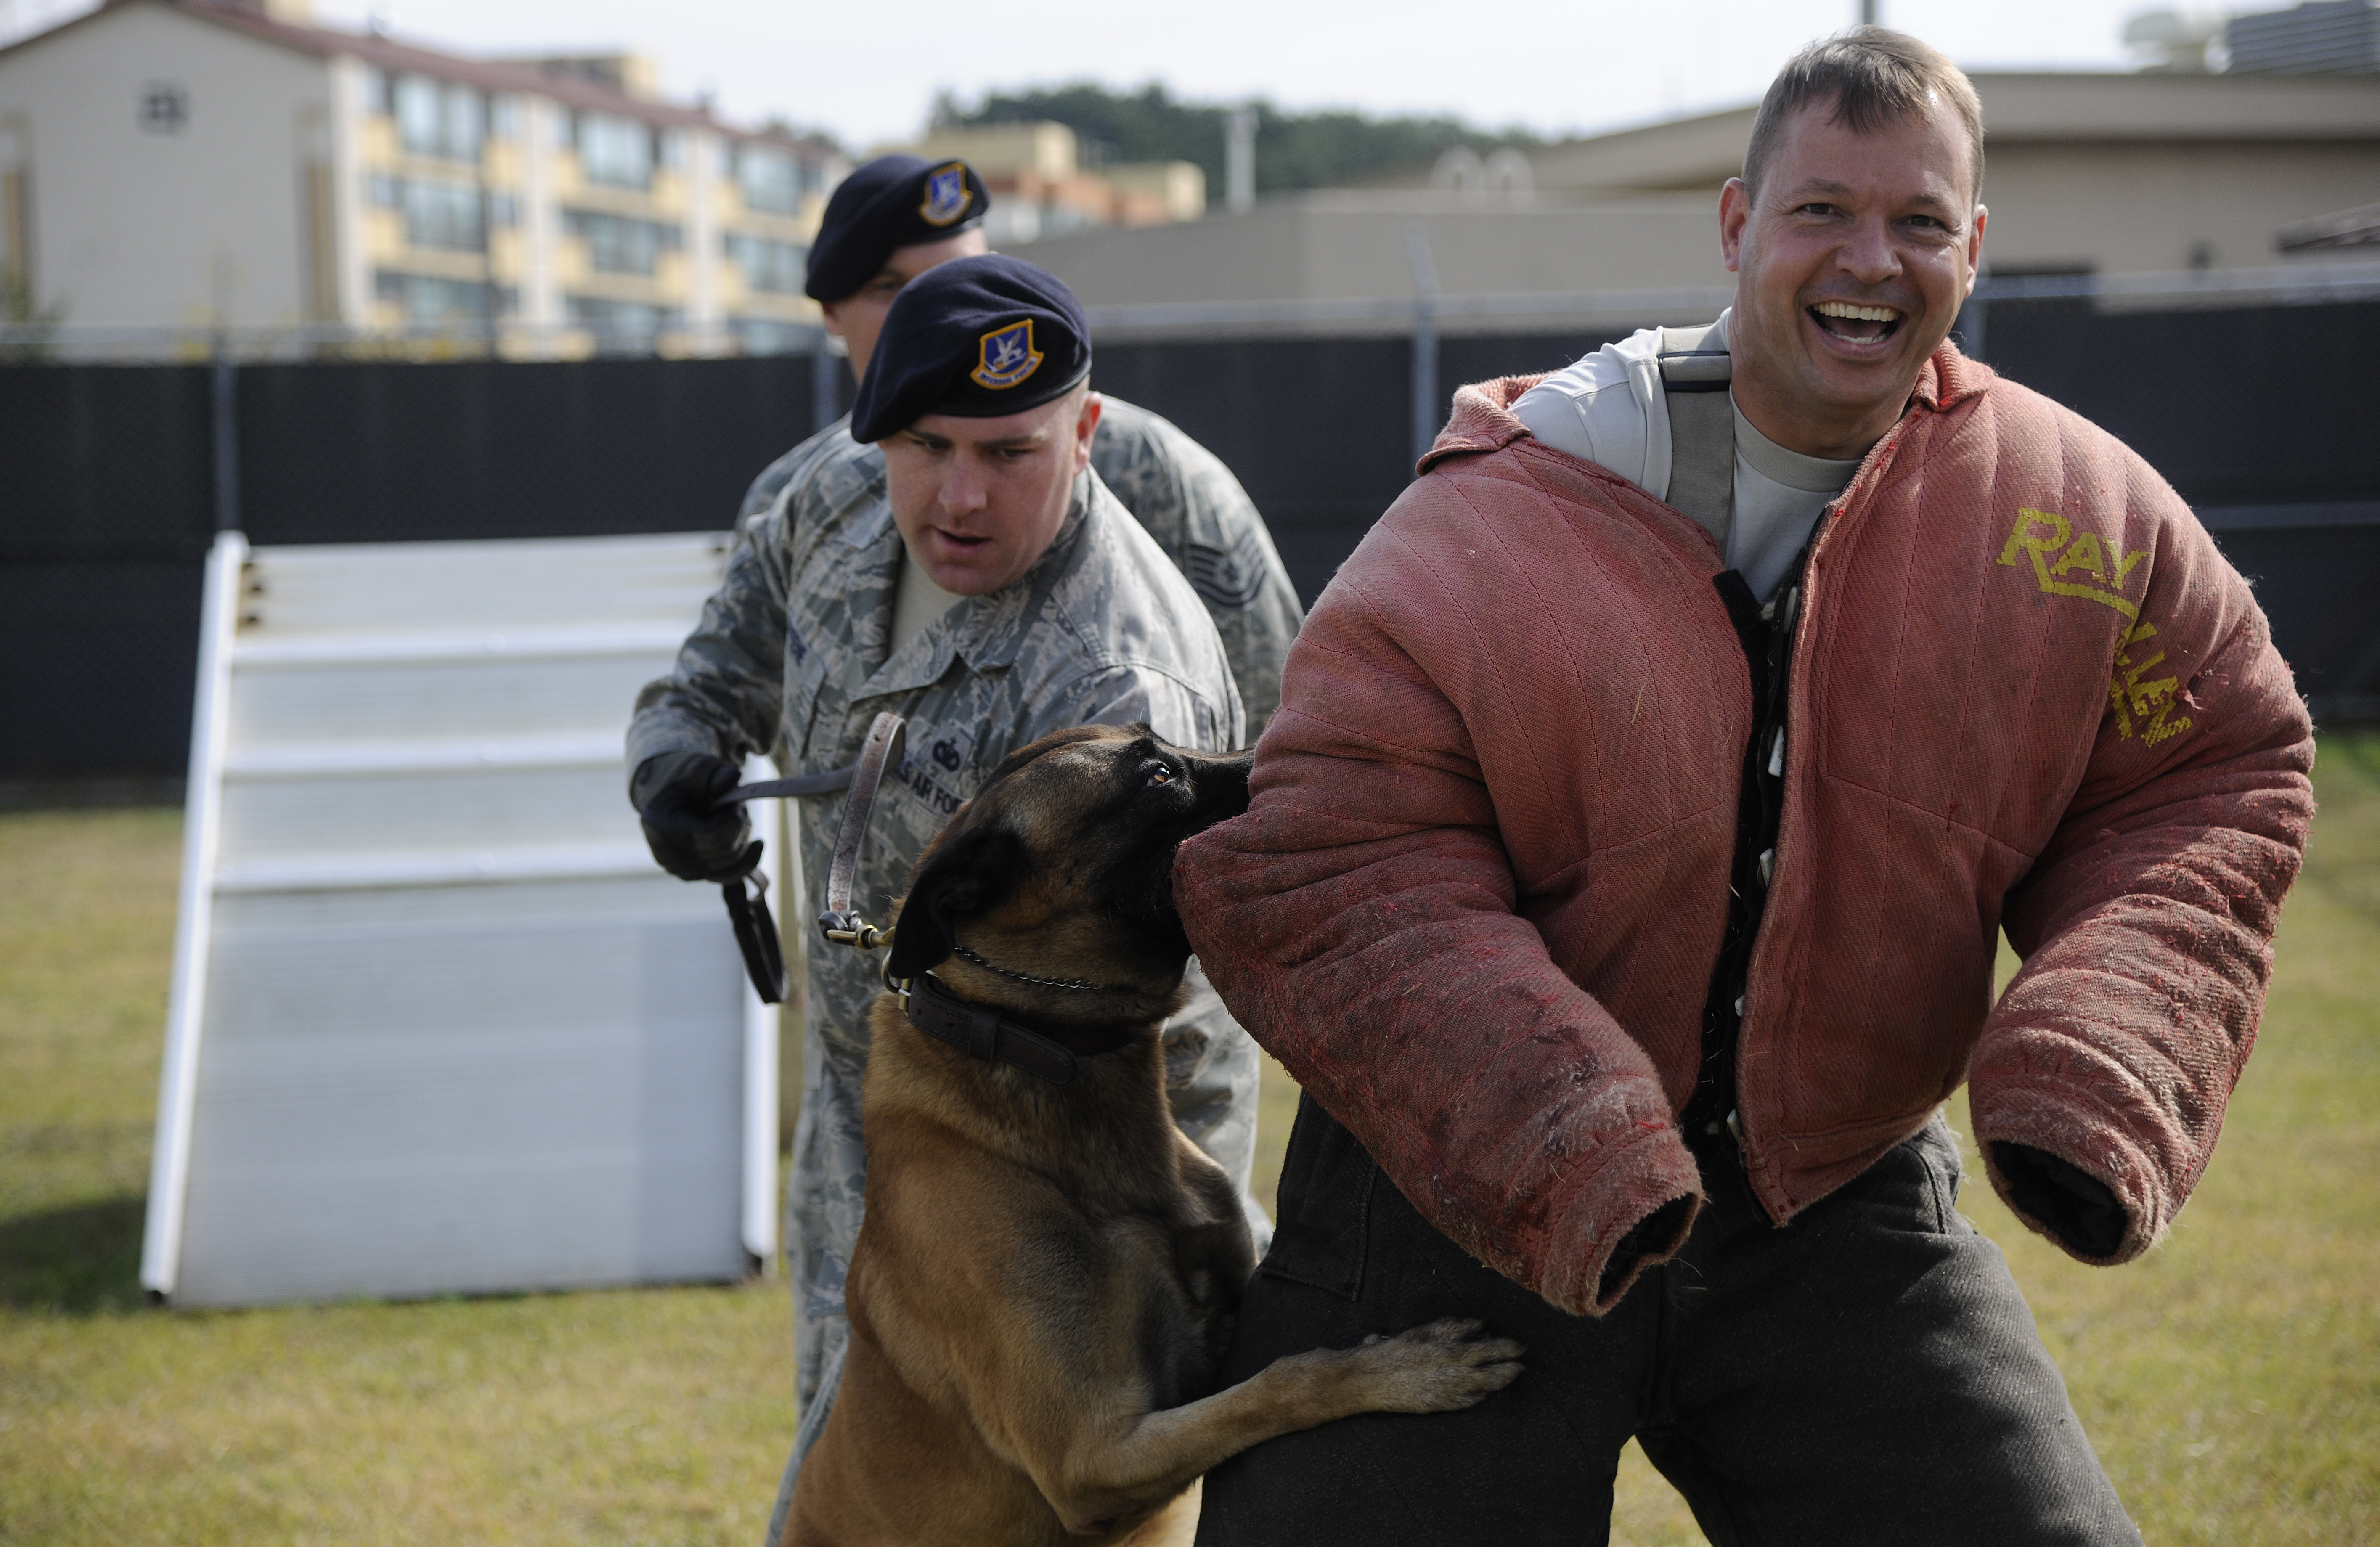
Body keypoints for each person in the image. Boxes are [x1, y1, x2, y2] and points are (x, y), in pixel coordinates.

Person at [1173, 28, 2313, 1545]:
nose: (1870, 259)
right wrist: (1547, 1118)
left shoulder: (2073, 522)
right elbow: (1325, 838)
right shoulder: (1510, 506)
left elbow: (2211, 760)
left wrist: (2101, 1034)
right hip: (1450, 1193)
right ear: (1732, 225)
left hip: (1825, 1185)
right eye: (1819, 212)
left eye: (1916, 222)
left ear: (1971, 248)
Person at [624, 257, 1255, 1543]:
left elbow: (1161, 1018)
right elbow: (709, 675)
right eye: (926, 445)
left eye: (1010, 452)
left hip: (1072, 1174)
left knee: (1060, 1508)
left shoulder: (1123, 681)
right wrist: (674, 774)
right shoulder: (834, 501)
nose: (958, 495)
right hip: (867, 1136)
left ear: (1084, 432)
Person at [743, 154, 1304, 735]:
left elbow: (1277, 713)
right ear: (831, 312)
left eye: (1009, 453)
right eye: (894, 288)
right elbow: (744, 689)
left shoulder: (1155, 472)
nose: (936, 309)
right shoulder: (804, 495)